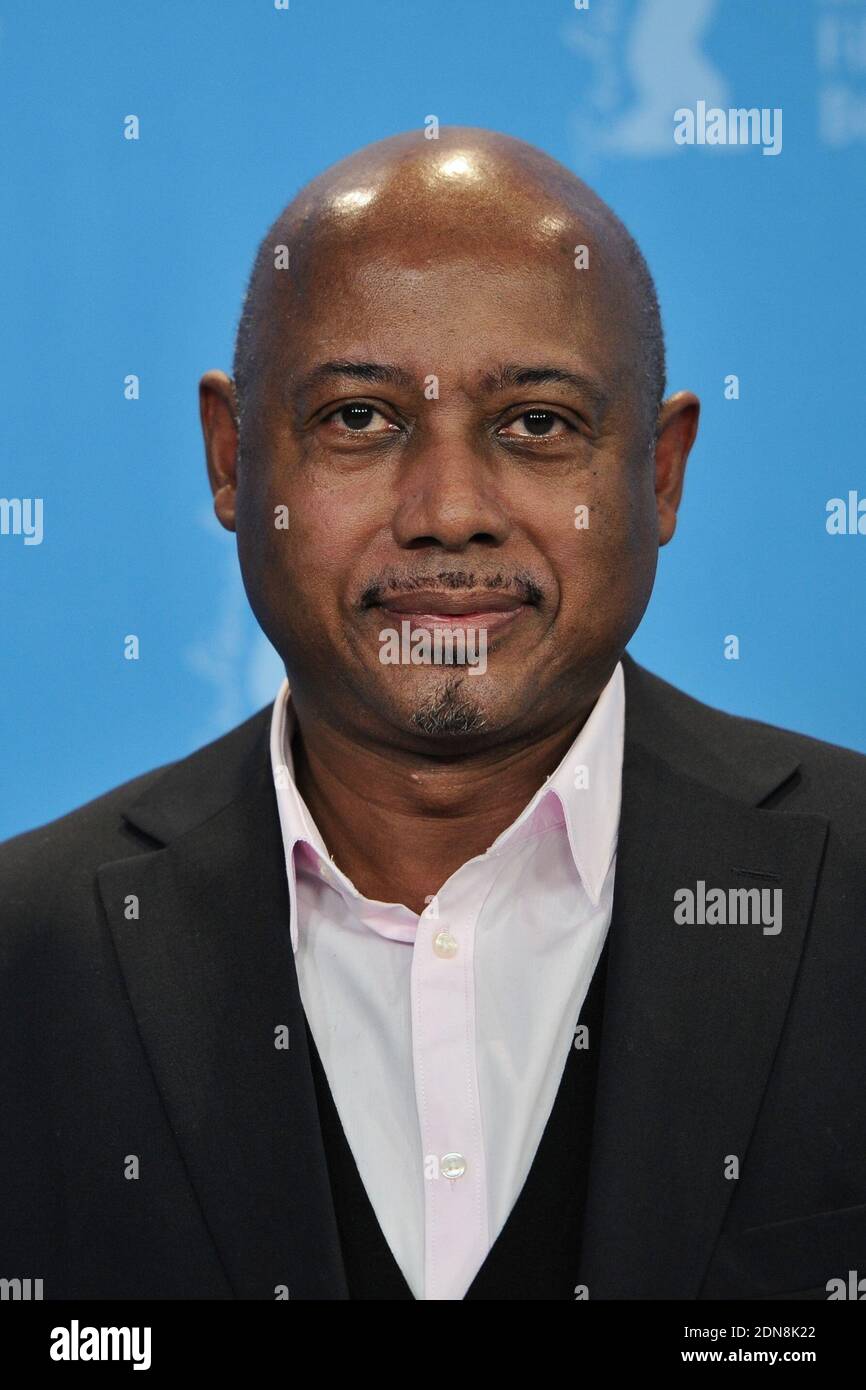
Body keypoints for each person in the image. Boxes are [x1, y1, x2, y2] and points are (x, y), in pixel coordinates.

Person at [2, 127, 865, 1302]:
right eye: (359, 419)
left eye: (536, 423)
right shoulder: (26, 953)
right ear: (231, 456)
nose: (448, 510)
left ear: (657, 476)